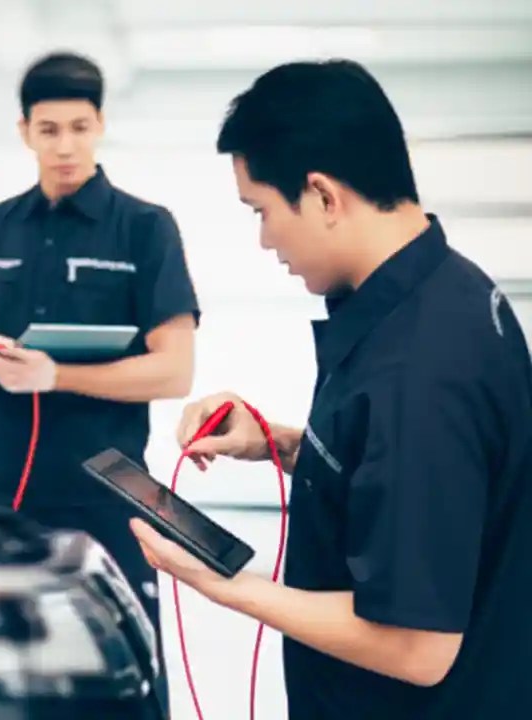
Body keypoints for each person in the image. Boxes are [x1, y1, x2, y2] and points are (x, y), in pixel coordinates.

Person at [130, 58, 532, 720]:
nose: (263, 240)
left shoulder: (421, 367)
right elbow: (421, 479)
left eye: (261, 211)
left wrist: (225, 584)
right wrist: (281, 444)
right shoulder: (450, 292)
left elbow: (417, 647)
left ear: (321, 194)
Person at [0, 51, 199, 710]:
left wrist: (56, 374)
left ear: (100, 123)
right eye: (50, 130)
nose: (66, 145)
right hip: (0, 503)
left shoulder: (145, 229)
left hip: (106, 496)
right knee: (4, 684)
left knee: (121, 685)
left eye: (80, 127)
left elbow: (174, 368)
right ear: (25, 132)